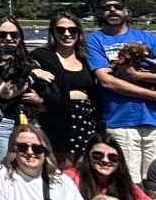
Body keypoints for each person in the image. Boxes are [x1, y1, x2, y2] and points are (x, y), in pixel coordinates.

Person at [86, 0, 156, 181]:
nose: (112, 10)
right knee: (129, 182)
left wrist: (136, 75)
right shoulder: (95, 40)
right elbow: (107, 81)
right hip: (120, 122)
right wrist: (152, 95)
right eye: (106, 8)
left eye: (117, 7)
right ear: (99, 13)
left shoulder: (150, 38)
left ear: (127, 12)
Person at [0, 16, 53, 167]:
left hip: (29, 121)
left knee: (31, 169)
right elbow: (6, 92)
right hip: (1, 123)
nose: (8, 38)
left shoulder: (30, 61)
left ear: (20, 37)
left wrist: (41, 100)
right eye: (3, 34)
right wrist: (32, 76)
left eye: (14, 35)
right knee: (2, 171)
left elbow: (49, 92)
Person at [32, 10, 104, 167]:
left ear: (79, 33)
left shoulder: (86, 58)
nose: (67, 34)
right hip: (58, 120)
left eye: (72, 30)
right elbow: (23, 70)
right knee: (60, 169)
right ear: (53, 33)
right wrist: (34, 71)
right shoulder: (42, 55)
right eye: (61, 30)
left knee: (84, 171)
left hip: (86, 120)